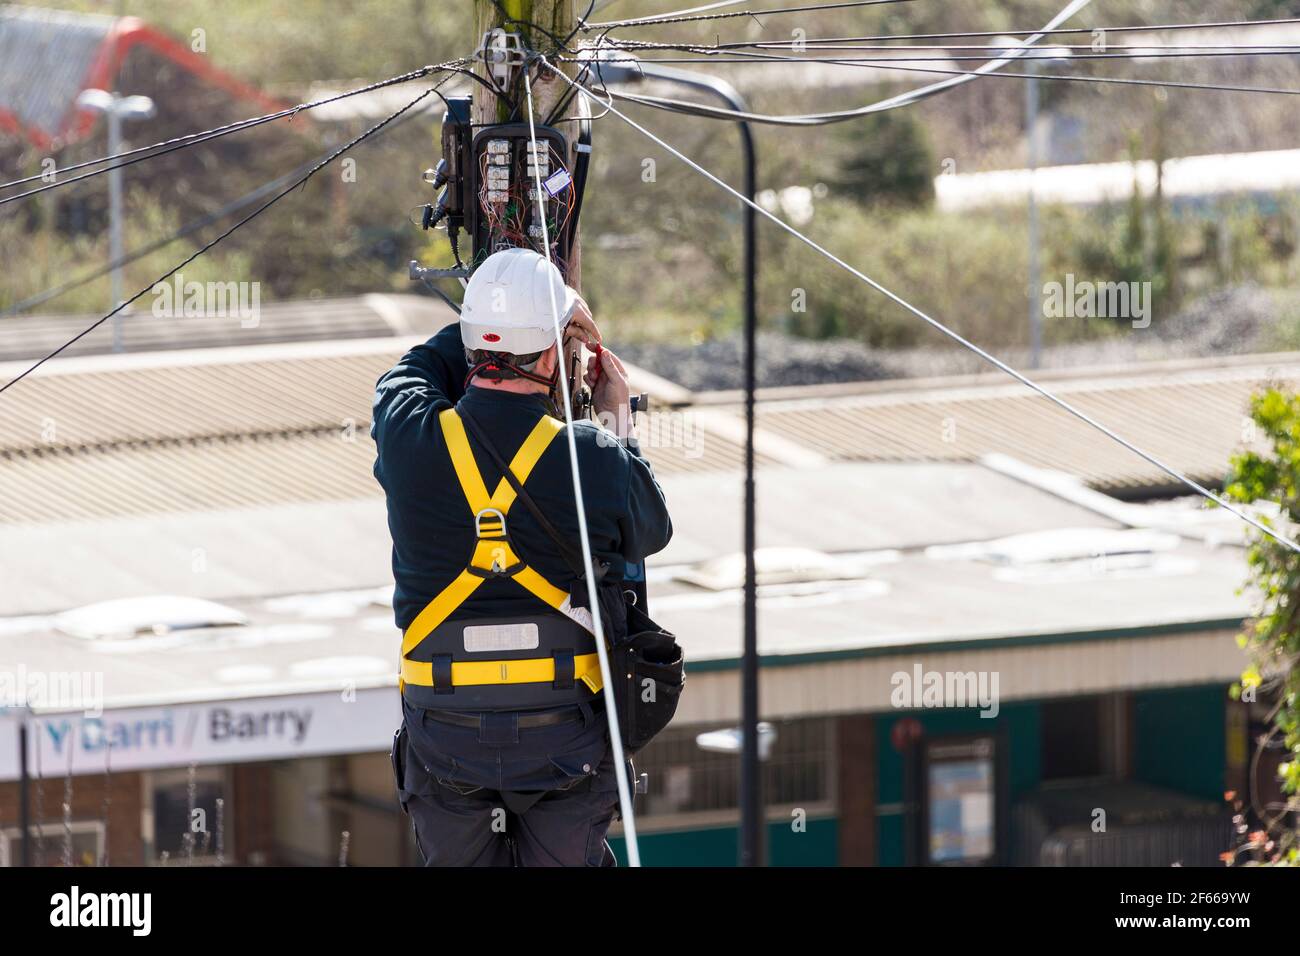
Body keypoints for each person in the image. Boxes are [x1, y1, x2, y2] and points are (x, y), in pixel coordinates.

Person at [371, 247, 672, 866]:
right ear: (555, 352)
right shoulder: (592, 456)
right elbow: (651, 531)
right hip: (563, 740)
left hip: (446, 734)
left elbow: (408, 371)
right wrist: (616, 418)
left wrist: (488, 324)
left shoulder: (411, 437)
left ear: (473, 345)